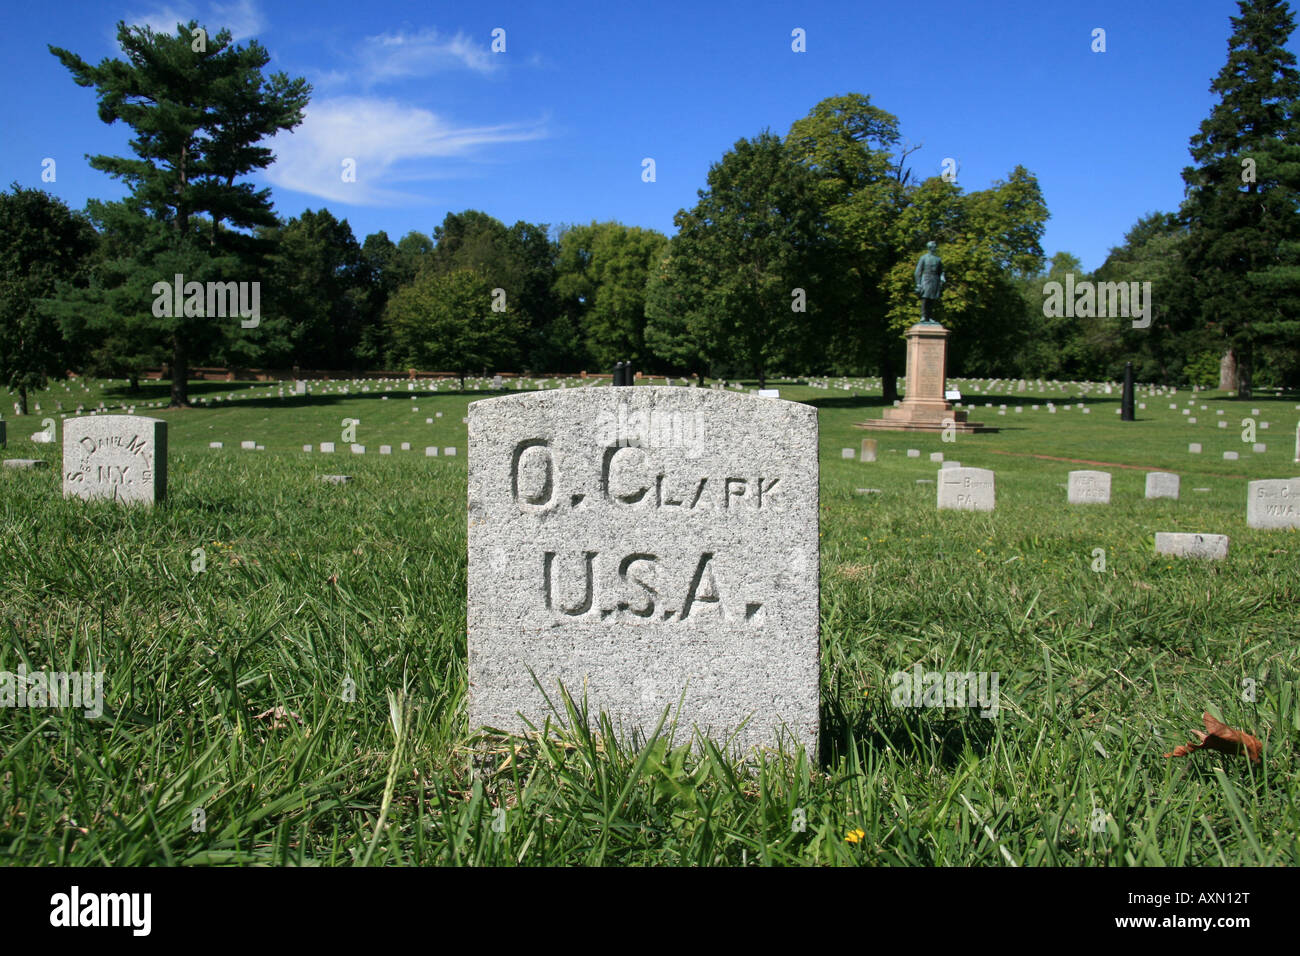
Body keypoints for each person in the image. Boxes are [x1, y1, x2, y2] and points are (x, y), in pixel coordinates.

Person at [914, 241, 944, 323]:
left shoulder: (938, 259)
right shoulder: (923, 258)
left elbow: (941, 271)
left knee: (932, 299)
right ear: (930, 247)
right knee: (925, 298)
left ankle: (929, 316)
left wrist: (942, 277)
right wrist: (918, 284)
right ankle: (923, 316)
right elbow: (918, 272)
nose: (935, 248)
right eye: (934, 246)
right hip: (926, 279)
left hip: (935, 280)